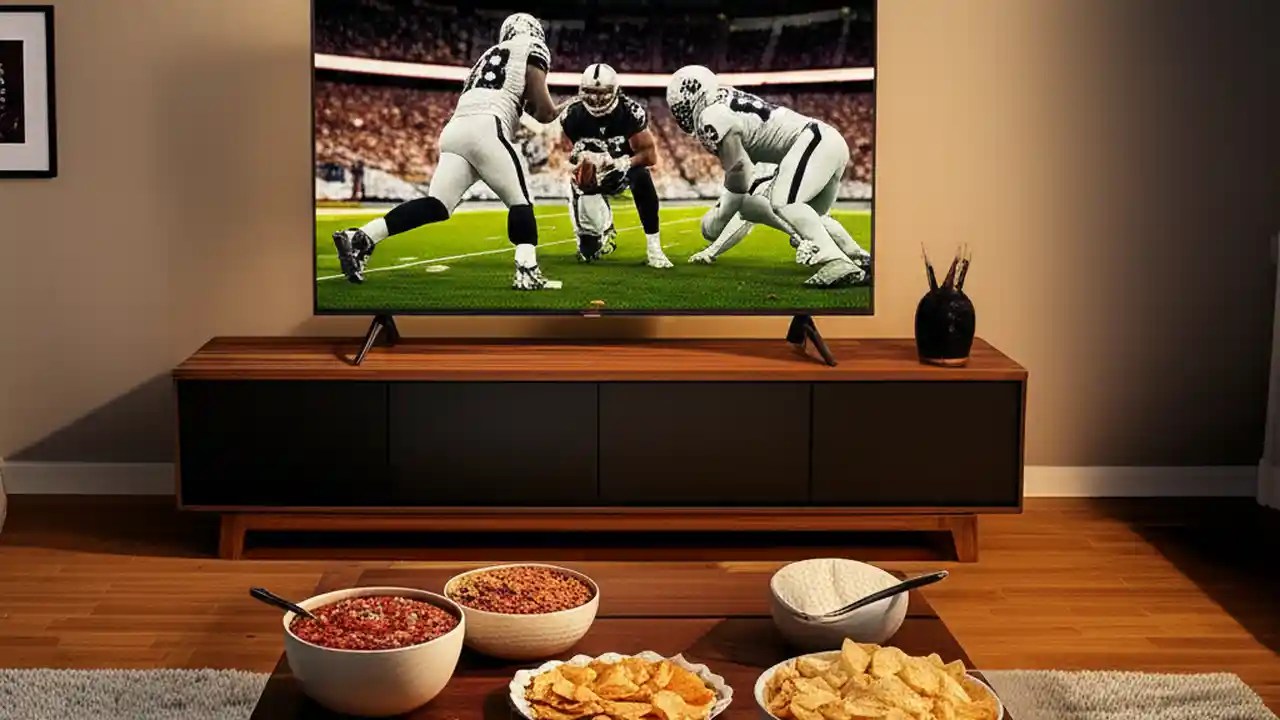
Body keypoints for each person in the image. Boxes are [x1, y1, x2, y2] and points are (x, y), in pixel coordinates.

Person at [330, 13, 570, 290]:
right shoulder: (530, 46)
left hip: (455, 130)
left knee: (437, 204)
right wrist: (570, 104)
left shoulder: (488, 56)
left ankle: (362, 237)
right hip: (487, 127)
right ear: (531, 30)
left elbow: (512, 94)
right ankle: (527, 270)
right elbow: (544, 113)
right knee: (521, 200)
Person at [666, 65, 870, 287]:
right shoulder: (724, 100)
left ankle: (835, 260)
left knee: (784, 202)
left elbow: (740, 172)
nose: (683, 115)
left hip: (814, 141)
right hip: (825, 140)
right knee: (811, 219)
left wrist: (721, 215)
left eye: (684, 108)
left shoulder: (711, 115)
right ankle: (859, 258)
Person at [561, 63, 671, 268]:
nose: (595, 99)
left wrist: (622, 162)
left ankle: (654, 248)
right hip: (592, 177)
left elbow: (650, 156)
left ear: (614, 91)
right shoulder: (572, 116)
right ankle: (599, 229)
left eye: (601, 93)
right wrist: (583, 163)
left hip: (621, 170)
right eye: (590, 93)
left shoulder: (629, 112)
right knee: (589, 252)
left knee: (641, 176)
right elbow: (571, 157)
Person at [690, 163, 870, 268]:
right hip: (792, 181)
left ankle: (854, 256)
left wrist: (711, 251)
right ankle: (856, 255)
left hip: (778, 186)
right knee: (817, 221)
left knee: (815, 223)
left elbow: (743, 215)